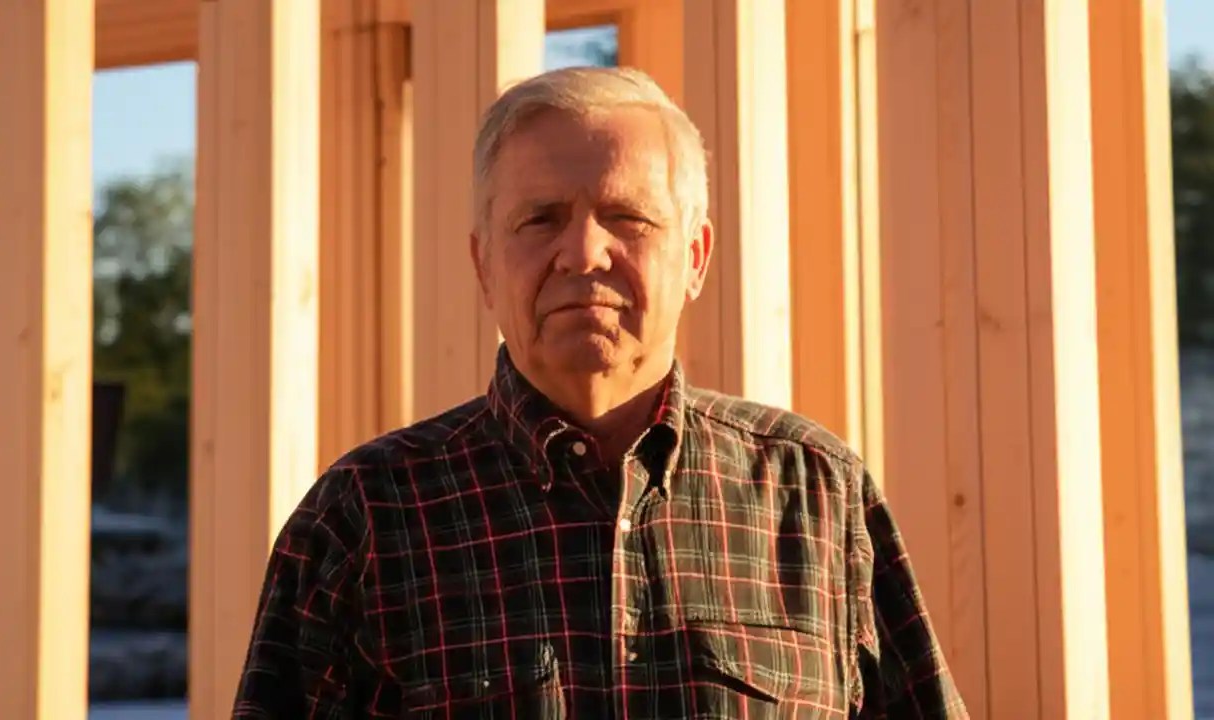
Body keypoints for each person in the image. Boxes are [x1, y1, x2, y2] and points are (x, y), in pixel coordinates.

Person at [232, 66, 966, 718]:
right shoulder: (366, 515)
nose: (583, 252)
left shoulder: (816, 495)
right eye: (540, 219)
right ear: (484, 264)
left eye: (628, 218)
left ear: (695, 257)